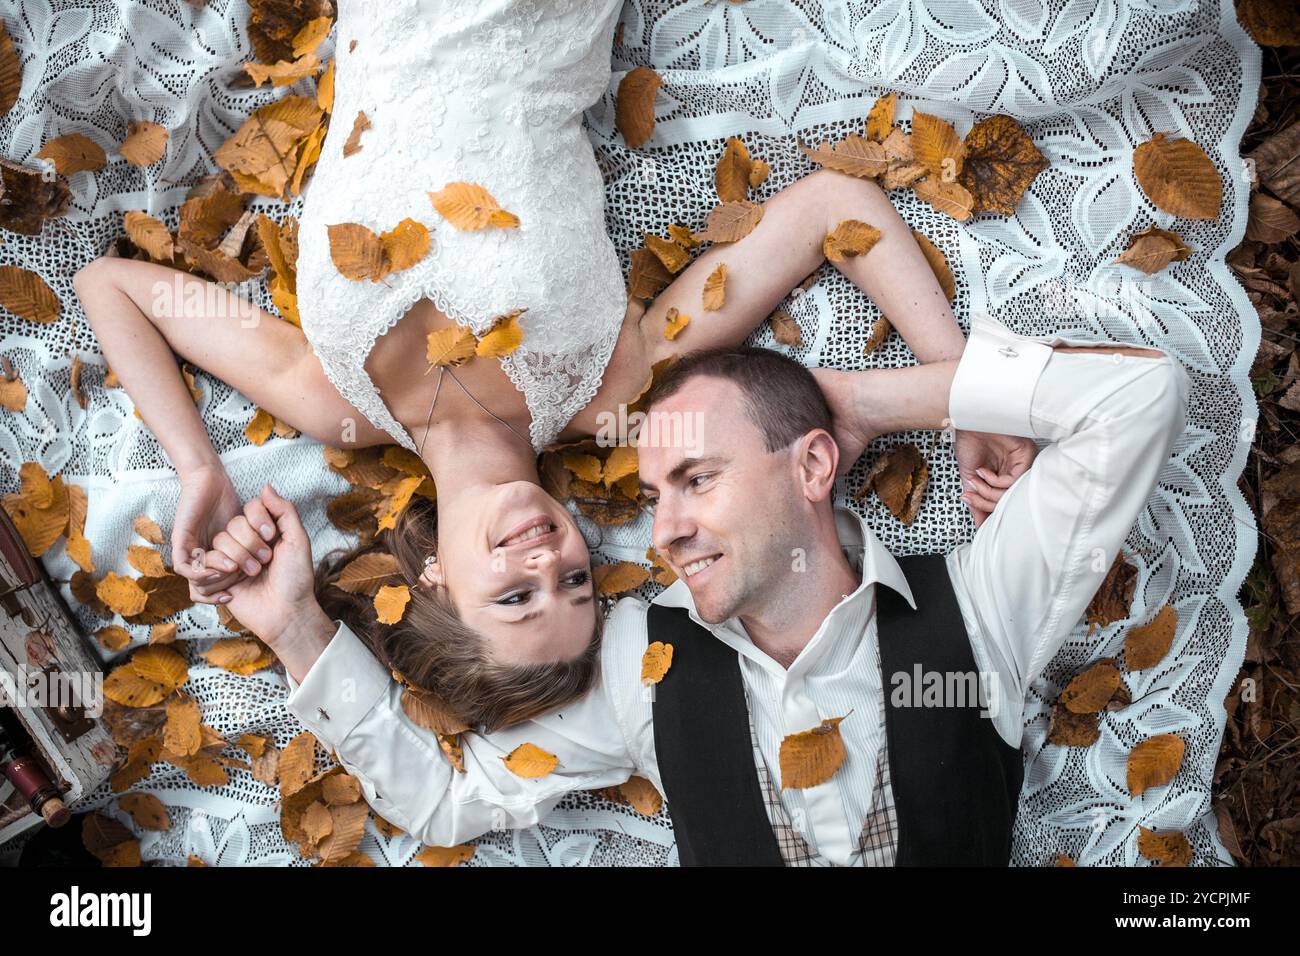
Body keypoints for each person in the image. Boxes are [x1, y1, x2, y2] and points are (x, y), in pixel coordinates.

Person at [72, 5, 1032, 732]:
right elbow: (831, 208)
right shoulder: (607, 388)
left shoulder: (336, 402)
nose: (552, 562)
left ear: (438, 579)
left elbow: (113, 288)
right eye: (577, 587)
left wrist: (200, 469)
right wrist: (963, 389)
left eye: (517, 595)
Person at [204, 309, 1190, 865]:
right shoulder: (644, 665)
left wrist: (865, 400)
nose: (662, 525)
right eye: (649, 493)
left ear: (810, 468)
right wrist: (293, 627)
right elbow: (453, 800)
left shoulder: (978, 612)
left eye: (697, 478)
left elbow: (1138, 396)